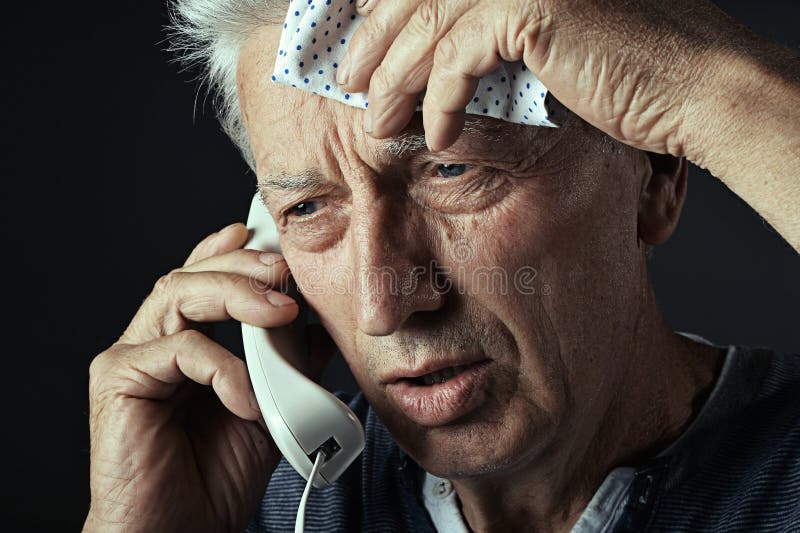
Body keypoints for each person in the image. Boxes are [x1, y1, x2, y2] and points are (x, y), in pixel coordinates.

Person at [84, 0, 799, 531]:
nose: (382, 301)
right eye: (306, 209)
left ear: (654, 177)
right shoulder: (305, 504)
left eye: (452, 168)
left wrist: (712, 90)